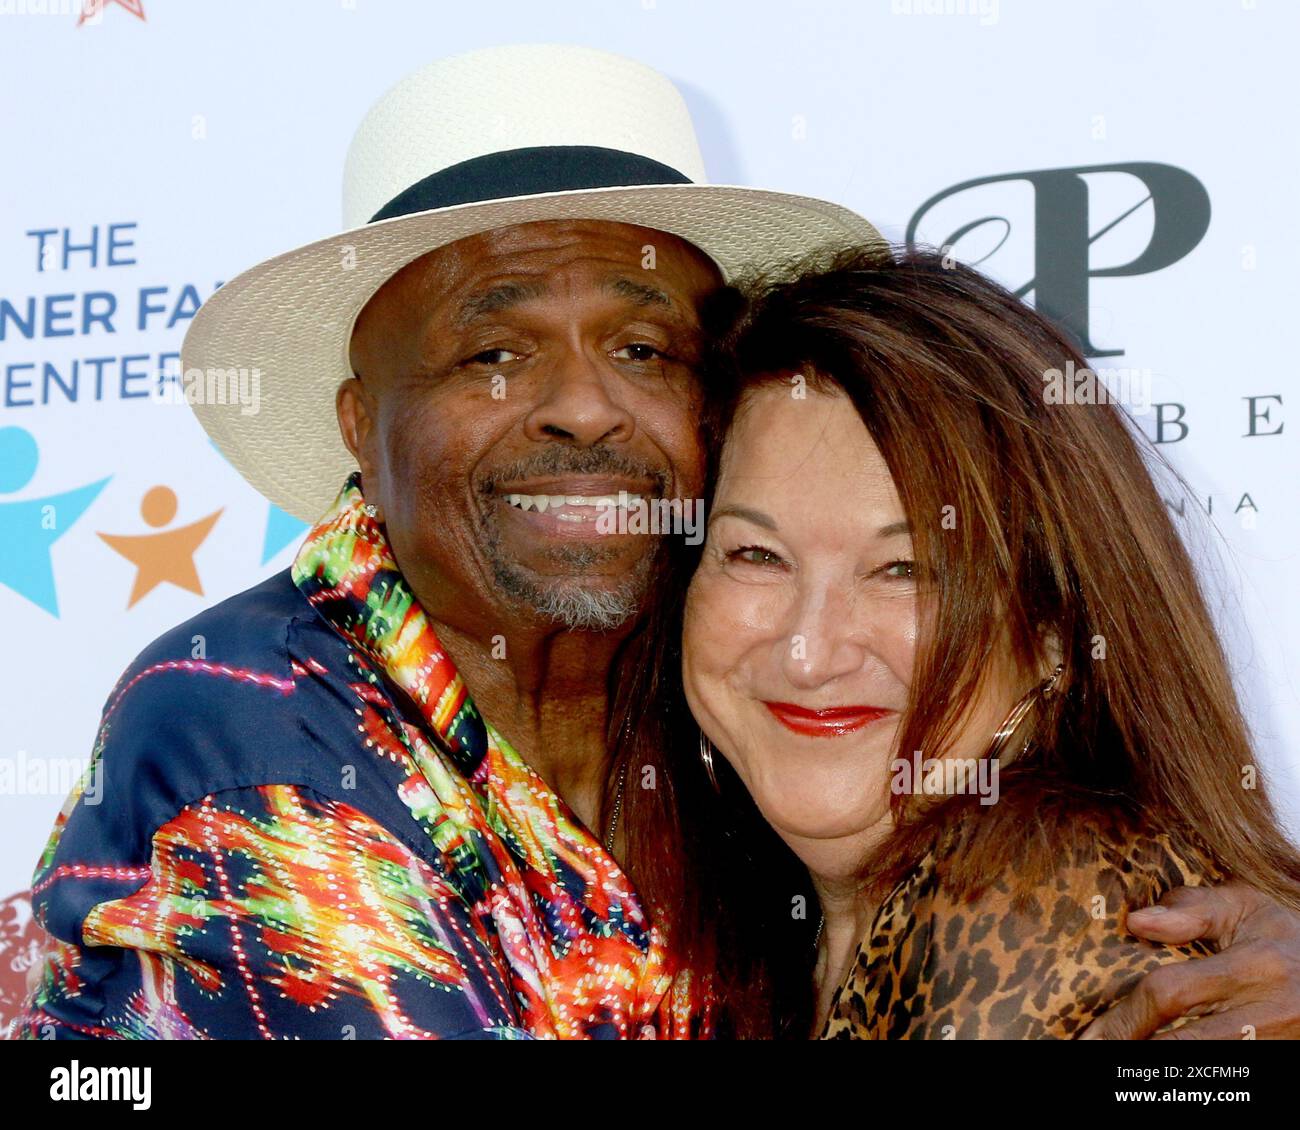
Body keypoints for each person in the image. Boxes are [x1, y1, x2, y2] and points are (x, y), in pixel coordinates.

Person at [10, 46, 1300, 1041]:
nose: (580, 406)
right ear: (363, 418)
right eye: (492, 350)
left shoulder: (755, 725)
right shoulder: (246, 724)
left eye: (640, 348)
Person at [677, 244, 1300, 1038]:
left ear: (1053, 632)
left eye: (905, 570)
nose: (810, 649)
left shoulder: (1030, 900)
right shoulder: (748, 937)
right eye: (756, 556)